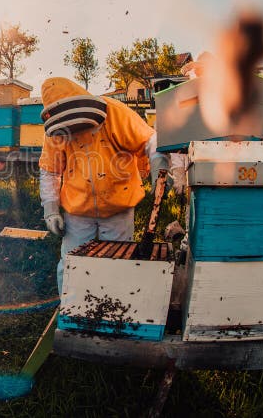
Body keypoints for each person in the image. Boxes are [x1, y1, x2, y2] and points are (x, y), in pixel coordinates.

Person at [37, 77, 170, 294]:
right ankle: (70, 314)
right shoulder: (56, 128)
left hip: (119, 205)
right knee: (71, 266)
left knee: (117, 265)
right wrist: (50, 210)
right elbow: (50, 170)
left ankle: (113, 312)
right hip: (78, 210)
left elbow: (150, 140)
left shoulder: (117, 112)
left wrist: (159, 166)